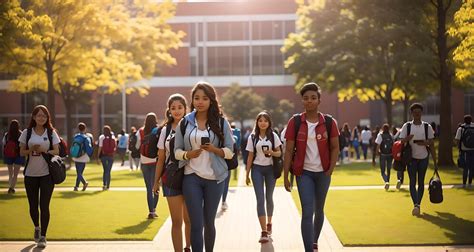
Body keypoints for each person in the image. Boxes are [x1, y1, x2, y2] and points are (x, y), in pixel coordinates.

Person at [174, 81, 234, 252]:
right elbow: (176, 150)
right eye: (196, 98)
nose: (200, 102)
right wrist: (188, 154)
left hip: (215, 179)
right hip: (191, 176)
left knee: (209, 222)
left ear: (211, 101)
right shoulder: (185, 122)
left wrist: (214, 149)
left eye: (204, 98)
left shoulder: (221, 122)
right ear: (192, 100)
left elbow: (230, 151)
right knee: (196, 223)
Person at [282, 83, 340, 252]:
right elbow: (288, 150)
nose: (309, 101)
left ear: (319, 100)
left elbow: (335, 146)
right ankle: (309, 249)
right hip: (303, 173)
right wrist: (286, 176)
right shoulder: (295, 122)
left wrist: (331, 169)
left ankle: (314, 242)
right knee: (307, 212)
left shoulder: (329, 122)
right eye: (306, 98)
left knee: (319, 209)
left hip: (323, 173)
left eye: (313, 98)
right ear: (302, 101)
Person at [153, 94, 191, 251]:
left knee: (189, 220)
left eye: (180, 107)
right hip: (171, 178)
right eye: (173, 108)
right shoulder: (165, 130)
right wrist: (155, 181)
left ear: (185, 108)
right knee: (176, 221)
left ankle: (188, 247)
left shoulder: (192, 126)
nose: (177, 111)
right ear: (169, 110)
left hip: (191, 177)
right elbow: (161, 158)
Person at [19, 105, 60, 248]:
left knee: (44, 206)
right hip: (30, 175)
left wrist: (45, 150)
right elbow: (21, 152)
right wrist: (30, 149)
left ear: (47, 117)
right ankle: (37, 227)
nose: (41, 118)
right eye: (39, 115)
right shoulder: (26, 132)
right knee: (32, 206)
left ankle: (43, 236)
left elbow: (57, 151)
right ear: (34, 117)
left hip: (47, 174)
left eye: (44, 115)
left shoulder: (51, 132)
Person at [245, 111, 282, 243]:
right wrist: (247, 173)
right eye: (260, 120)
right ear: (257, 122)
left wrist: (272, 152)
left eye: (265, 120)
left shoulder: (273, 136)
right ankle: (264, 232)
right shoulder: (252, 137)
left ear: (269, 122)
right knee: (260, 199)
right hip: (257, 169)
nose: (263, 123)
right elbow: (249, 156)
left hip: (271, 170)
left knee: (269, 197)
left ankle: (269, 222)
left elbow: (279, 153)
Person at [399, 103, 436, 216]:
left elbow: (432, 142)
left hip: (424, 157)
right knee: (412, 181)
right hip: (411, 159)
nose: (417, 114)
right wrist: (407, 138)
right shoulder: (407, 126)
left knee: (421, 182)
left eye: (419, 112)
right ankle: (416, 204)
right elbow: (401, 142)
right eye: (415, 112)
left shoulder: (427, 126)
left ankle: (417, 204)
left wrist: (425, 143)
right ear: (411, 113)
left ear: (421, 113)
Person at [136, 113, 160, 219]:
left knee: (148, 188)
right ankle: (153, 210)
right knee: (156, 186)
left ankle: (151, 211)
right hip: (156, 161)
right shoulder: (158, 130)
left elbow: (137, 146)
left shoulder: (140, 131)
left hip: (144, 162)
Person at [2, 119, 25, 194]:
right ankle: (12, 188)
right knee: (15, 174)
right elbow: (23, 145)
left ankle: (10, 187)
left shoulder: (7, 135)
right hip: (18, 155)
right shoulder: (21, 134)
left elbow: (4, 145)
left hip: (8, 156)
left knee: (10, 173)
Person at [71, 122, 93, 191]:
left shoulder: (75, 136)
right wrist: (90, 155)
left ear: (78, 128)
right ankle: (84, 183)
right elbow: (89, 147)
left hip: (76, 156)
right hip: (83, 156)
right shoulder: (86, 137)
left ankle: (76, 187)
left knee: (78, 172)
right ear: (85, 128)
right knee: (80, 173)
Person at [454, 115, 474, 188]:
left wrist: (457, 146)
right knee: (472, 167)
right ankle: (470, 183)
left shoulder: (461, 128)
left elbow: (457, 139)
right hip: (473, 150)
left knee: (465, 168)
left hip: (464, 150)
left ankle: (464, 183)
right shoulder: (473, 127)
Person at [373, 124, 393, 190]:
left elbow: (378, 145)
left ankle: (386, 182)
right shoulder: (390, 135)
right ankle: (388, 181)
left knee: (382, 171)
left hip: (383, 154)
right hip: (390, 154)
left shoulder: (380, 135)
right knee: (389, 170)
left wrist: (376, 153)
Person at [97, 125, 116, 191]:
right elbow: (115, 147)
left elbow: (100, 147)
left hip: (104, 156)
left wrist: (98, 156)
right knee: (108, 171)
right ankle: (108, 185)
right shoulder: (113, 137)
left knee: (105, 170)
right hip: (111, 156)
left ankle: (104, 184)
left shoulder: (102, 137)